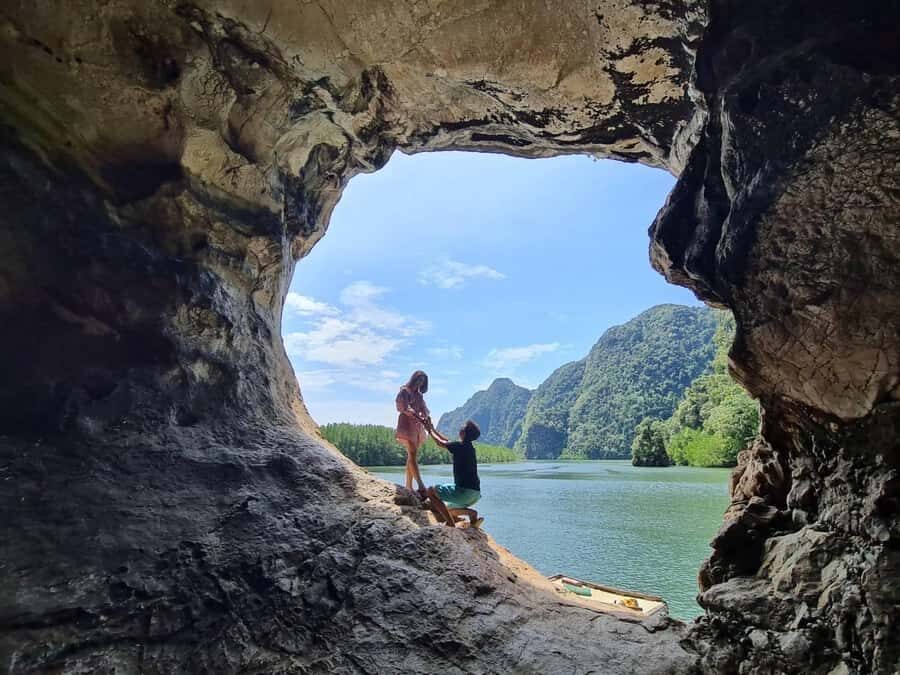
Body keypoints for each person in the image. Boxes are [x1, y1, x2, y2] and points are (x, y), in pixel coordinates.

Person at [425, 420, 484, 528]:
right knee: (447, 509)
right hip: (475, 494)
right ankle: (472, 515)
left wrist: (428, 430)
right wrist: (433, 429)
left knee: (430, 491)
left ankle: (450, 524)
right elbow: (446, 441)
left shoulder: (459, 446)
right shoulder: (469, 448)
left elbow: (440, 442)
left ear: (464, 433)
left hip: (464, 493)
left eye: (462, 427)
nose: (460, 428)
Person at [395, 370, 432, 493]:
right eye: (418, 380)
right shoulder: (404, 391)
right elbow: (402, 407)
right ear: (413, 379)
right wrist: (416, 414)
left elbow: (424, 409)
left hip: (416, 426)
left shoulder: (419, 395)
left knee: (412, 455)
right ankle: (421, 485)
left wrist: (425, 415)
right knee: (412, 453)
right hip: (406, 424)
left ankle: (408, 485)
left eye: (422, 381)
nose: (420, 383)